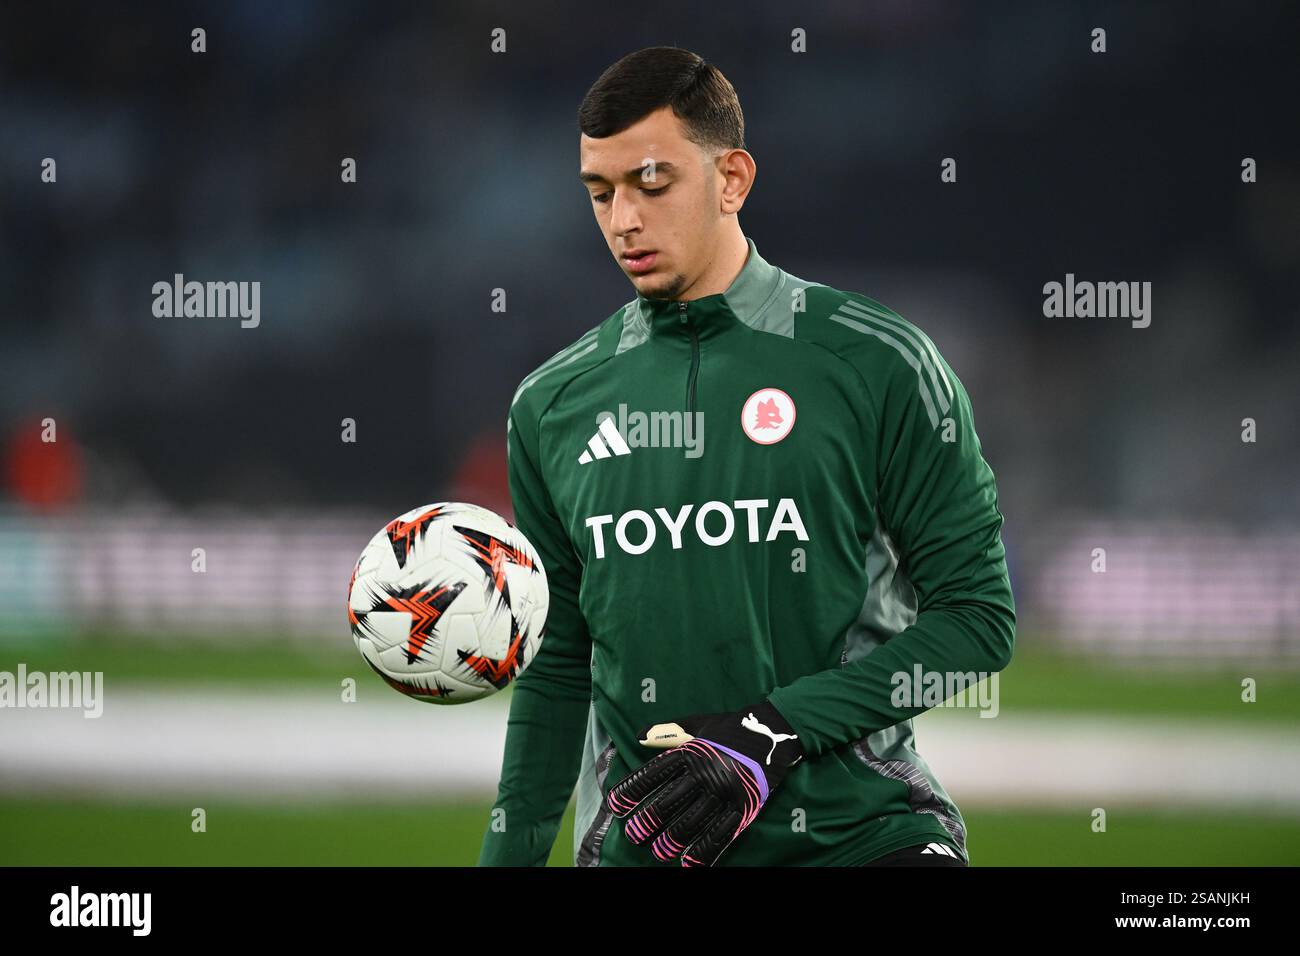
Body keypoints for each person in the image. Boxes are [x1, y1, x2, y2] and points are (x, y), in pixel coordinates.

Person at [479, 46, 1014, 867]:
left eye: (651, 185)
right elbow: (558, 668)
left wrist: (777, 730)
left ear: (732, 179)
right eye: (601, 194)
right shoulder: (550, 406)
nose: (623, 220)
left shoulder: (878, 364)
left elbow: (977, 619)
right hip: (645, 848)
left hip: (862, 838)